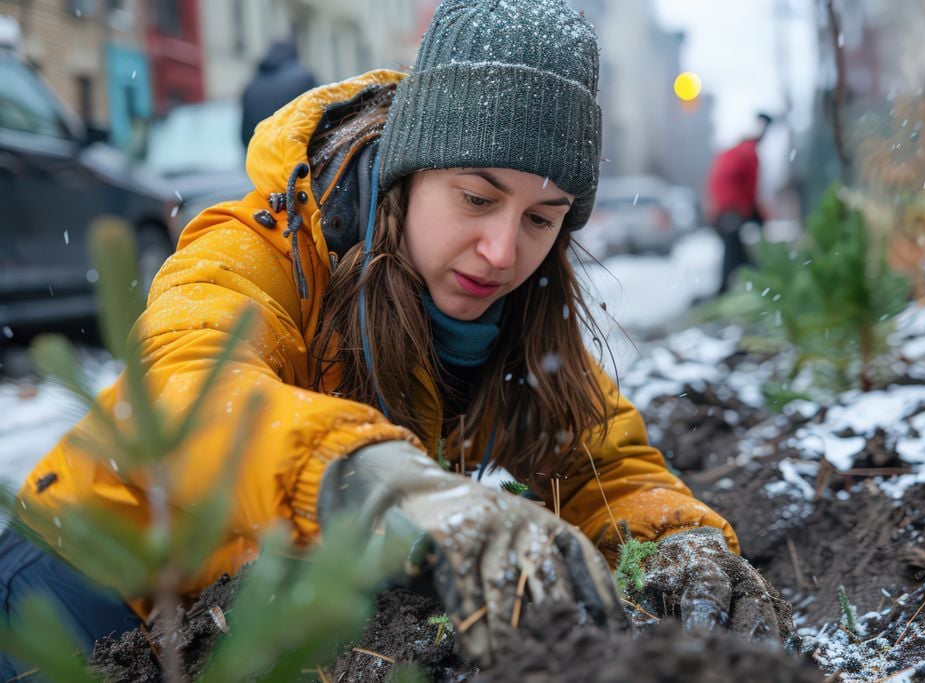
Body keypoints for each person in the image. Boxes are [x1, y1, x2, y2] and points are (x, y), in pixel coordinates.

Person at [2, 0, 791, 674]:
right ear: (410, 173)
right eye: (477, 197)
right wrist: (374, 481)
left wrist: (679, 538)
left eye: (542, 219)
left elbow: (601, 459)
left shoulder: (515, 306)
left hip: (243, 621)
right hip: (79, 588)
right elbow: (190, 389)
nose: (502, 251)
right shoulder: (268, 242)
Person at [706, 112, 773, 294]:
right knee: (734, 254)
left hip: (724, 210)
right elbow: (749, 189)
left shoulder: (733, 152)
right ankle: (756, 287)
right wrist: (756, 213)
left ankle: (753, 286)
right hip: (731, 210)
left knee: (736, 254)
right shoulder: (749, 154)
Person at [240, 39, 317, 149]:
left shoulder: (252, 85)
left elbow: (245, 134)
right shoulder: (303, 77)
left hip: (262, 152)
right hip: (297, 151)